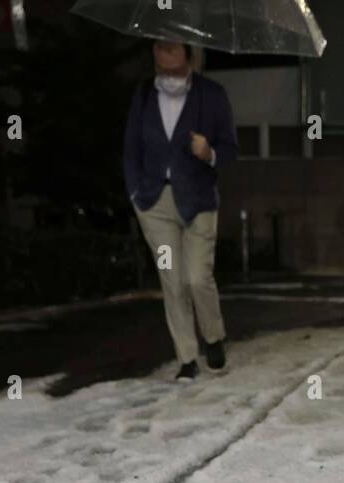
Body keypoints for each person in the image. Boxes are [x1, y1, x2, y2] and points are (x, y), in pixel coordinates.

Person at [124, 41, 238, 382]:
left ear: (190, 57)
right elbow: (131, 148)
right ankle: (187, 358)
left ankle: (214, 336)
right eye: (159, 57)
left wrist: (208, 153)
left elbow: (231, 150)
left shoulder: (212, 95)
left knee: (196, 278)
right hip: (154, 206)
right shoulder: (143, 95)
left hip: (199, 203)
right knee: (171, 281)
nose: (166, 68)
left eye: (173, 57)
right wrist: (135, 193)